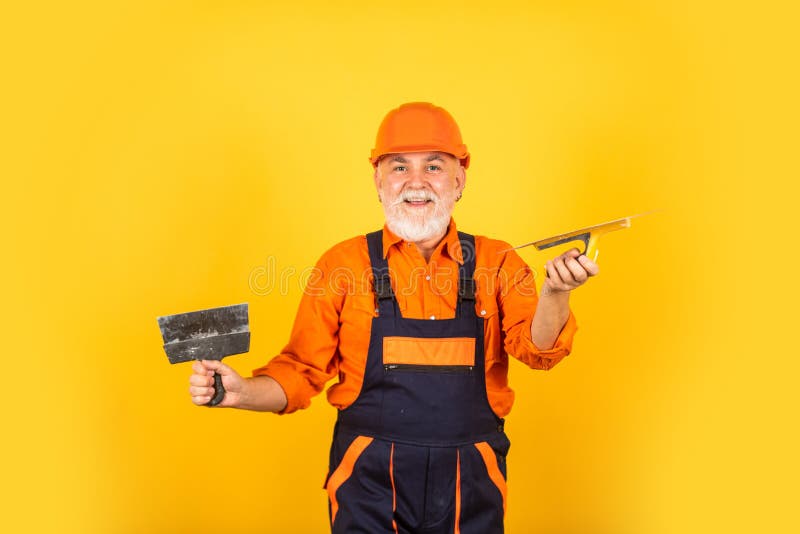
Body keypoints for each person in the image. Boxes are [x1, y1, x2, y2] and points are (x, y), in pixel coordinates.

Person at [188, 102, 599, 533]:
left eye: (435, 166)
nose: (416, 182)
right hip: (368, 479)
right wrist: (238, 392)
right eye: (399, 167)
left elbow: (538, 352)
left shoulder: (498, 262)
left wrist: (555, 292)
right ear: (378, 180)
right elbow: (301, 371)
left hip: (471, 478)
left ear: (459, 179)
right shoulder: (342, 265)